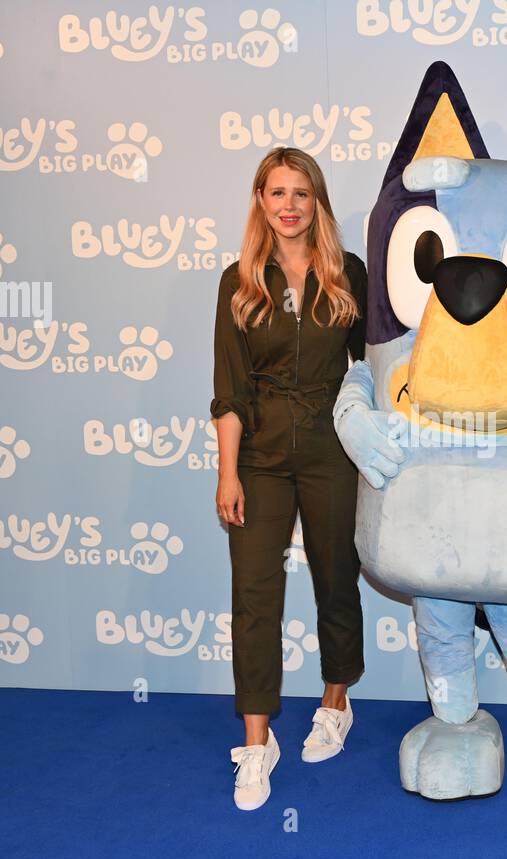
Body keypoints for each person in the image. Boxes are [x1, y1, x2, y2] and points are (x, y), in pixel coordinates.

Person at [211, 146, 377, 811]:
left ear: (317, 203)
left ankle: (337, 699)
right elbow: (228, 388)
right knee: (254, 595)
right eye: (276, 192)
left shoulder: (350, 275)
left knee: (337, 576)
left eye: (300, 193)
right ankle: (257, 741)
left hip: (333, 450)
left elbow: (370, 372)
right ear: (260, 201)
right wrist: (229, 472)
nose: (288, 205)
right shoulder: (239, 281)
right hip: (258, 457)